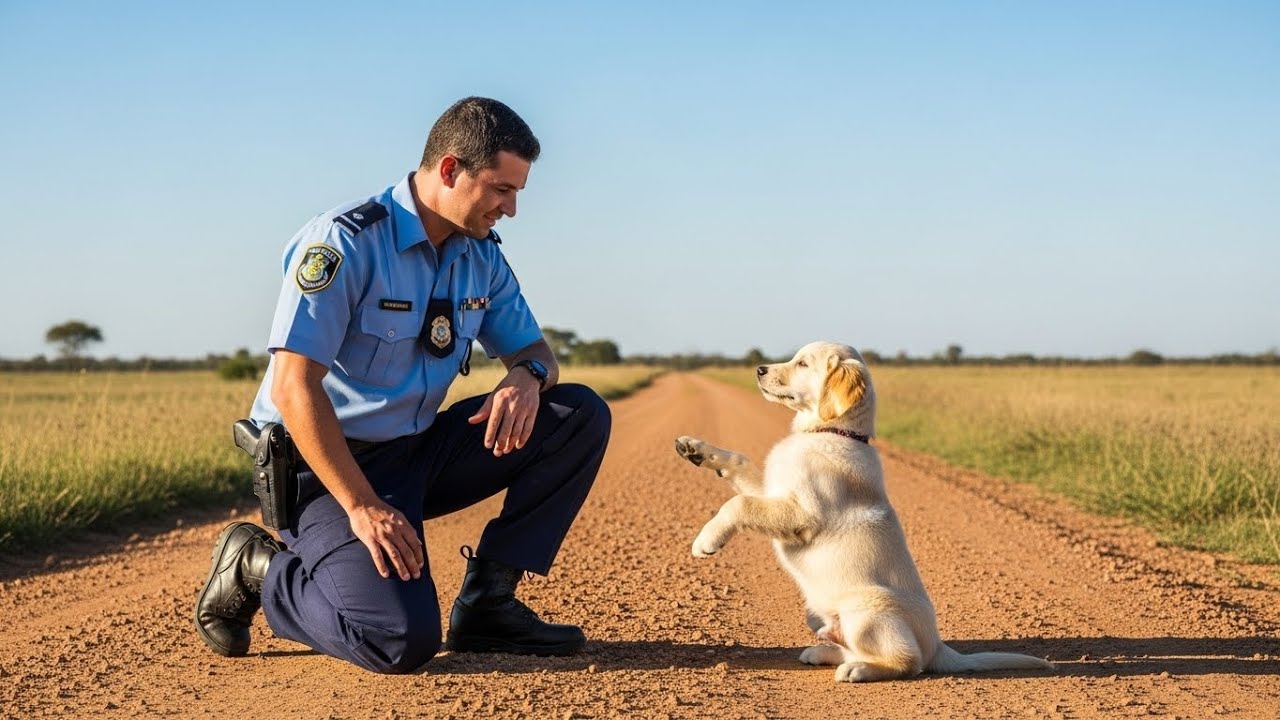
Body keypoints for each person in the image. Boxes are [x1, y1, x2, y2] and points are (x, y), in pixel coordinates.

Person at [194, 97, 612, 674]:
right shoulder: (346, 241)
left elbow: (536, 350)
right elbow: (294, 388)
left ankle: (488, 605)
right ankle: (258, 566)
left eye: (516, 192)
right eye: (500, 189)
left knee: (577, 414)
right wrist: (363, 506)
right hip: (328, 471)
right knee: (397, 640)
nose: (511, 209)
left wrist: (526, 376)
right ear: (449, 169)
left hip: (416, 452)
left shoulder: (479, 254)